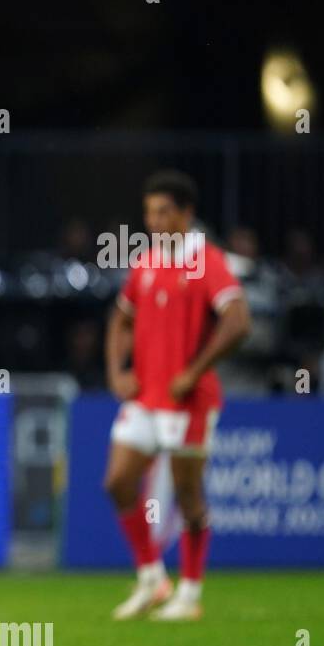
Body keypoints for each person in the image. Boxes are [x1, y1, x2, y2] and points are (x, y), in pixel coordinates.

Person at [104, 171, 251, 622]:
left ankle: (189, 592)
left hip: (189, 399)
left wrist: (195, 370)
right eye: (149, 211)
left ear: (187, 213)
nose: (154, 220)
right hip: (146, 396)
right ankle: (152, 578)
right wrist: (117, 372)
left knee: (188, 496)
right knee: (118, 484)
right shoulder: (146, 261)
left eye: (163, 210)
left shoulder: (205, 260)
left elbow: (238, 320)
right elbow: (120, 319)